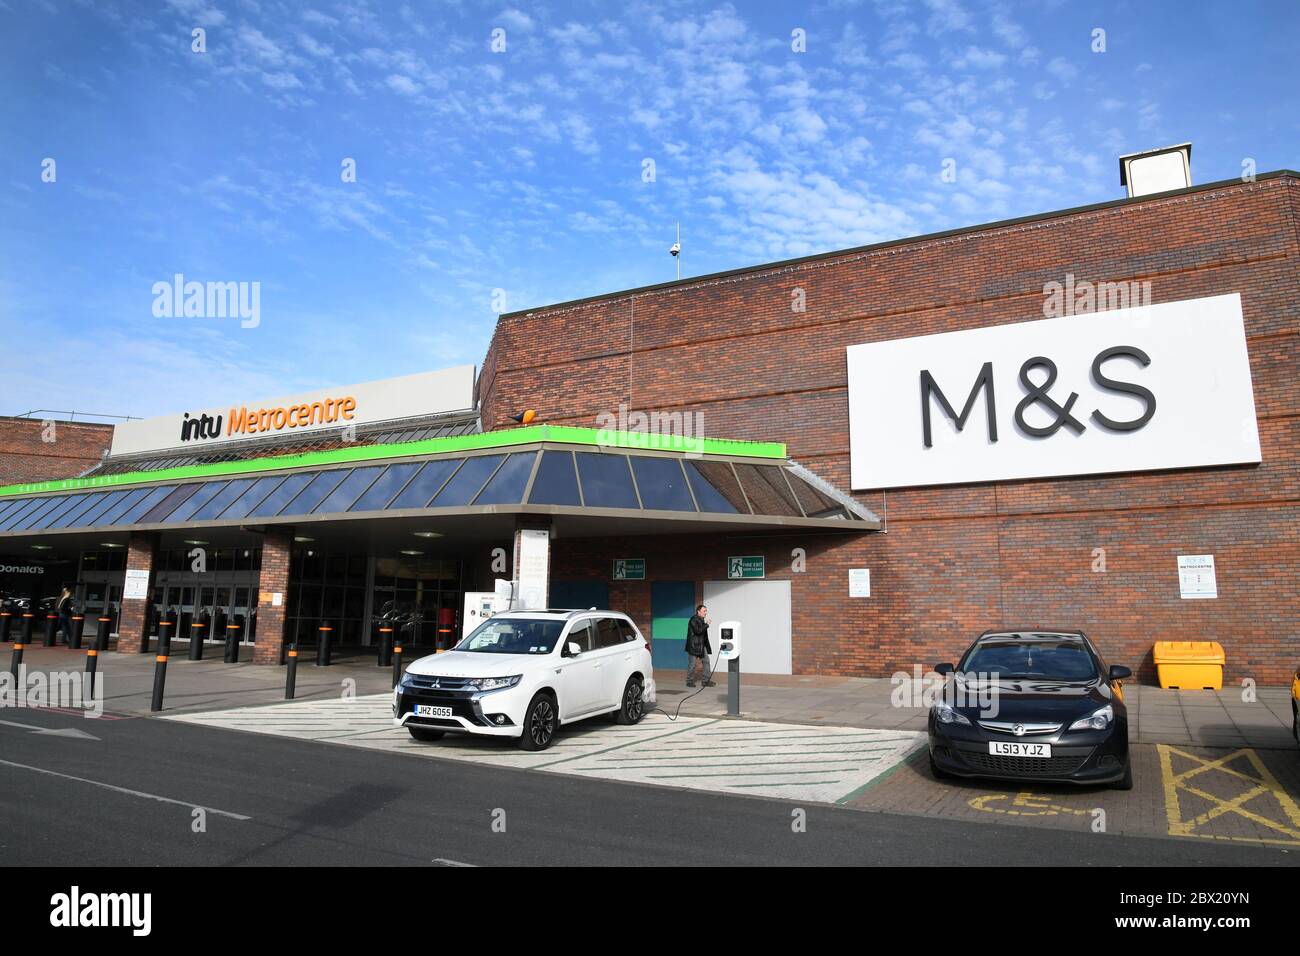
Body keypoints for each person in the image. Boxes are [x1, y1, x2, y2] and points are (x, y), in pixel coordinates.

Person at [684, 604, 714, 688]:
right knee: (692, 664)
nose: (706, 613)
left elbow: (703, 635)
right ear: (698, 611)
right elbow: (698, 631)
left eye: (706, 611)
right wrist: (707, 624)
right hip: (693, 646)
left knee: (706, 661)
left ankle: (705, 681)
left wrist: (706, 646)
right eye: (704, 611)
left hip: (701, 646)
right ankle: (689, 681)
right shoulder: (693, 619)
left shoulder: (701, 620)